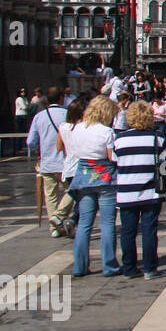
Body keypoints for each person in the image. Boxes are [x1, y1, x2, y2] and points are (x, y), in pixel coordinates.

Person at [58, 95, 121, 278]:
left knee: (85, 223)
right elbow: (111, 157)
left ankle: (80, 265)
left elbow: (75, 152)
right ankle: (109, 265)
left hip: (83, 175)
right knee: (108, 222)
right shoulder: (106, 132)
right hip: (105, 176)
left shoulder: (78, 128)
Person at [114, 101, 166, 278]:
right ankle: (149, 269)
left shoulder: (119, 140)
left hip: (126, 193)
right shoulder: (158, 138)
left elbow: (114, 163)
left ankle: (129, 268)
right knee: (149, 230)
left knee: (127, 231)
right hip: (151, 192)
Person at [27, 86, 75, 237]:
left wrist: (38, 149)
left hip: (47, 163)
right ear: (61, 98)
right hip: (65, 162)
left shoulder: (39, 117)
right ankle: (59, 217)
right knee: (73, 191)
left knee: (50, 196)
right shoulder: (67, 114)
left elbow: (31, 141)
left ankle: (54, 228)